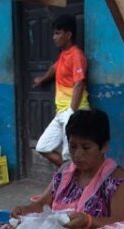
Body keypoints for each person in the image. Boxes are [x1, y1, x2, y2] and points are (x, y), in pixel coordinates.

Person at [12, 109, 124, 229]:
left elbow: (122, 223)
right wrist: (25, 210)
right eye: (73, 146)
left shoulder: (116, 180)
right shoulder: (65, 172)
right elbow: (42, 204)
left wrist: (89, 221)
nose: (78, 154)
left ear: (104, 146)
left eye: (86, 147)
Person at [33, 14, 90, 167]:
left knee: (69, 155)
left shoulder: (76, 55)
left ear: (68, 35)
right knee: (42, 147)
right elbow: (54, 68)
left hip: (74, 111)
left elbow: (79, 84)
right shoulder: (64, 55)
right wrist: (42, 79)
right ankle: (70, 176)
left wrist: (72, 111)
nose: (54, 37)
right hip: (62, 112)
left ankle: (74, 183)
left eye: (58, 33)